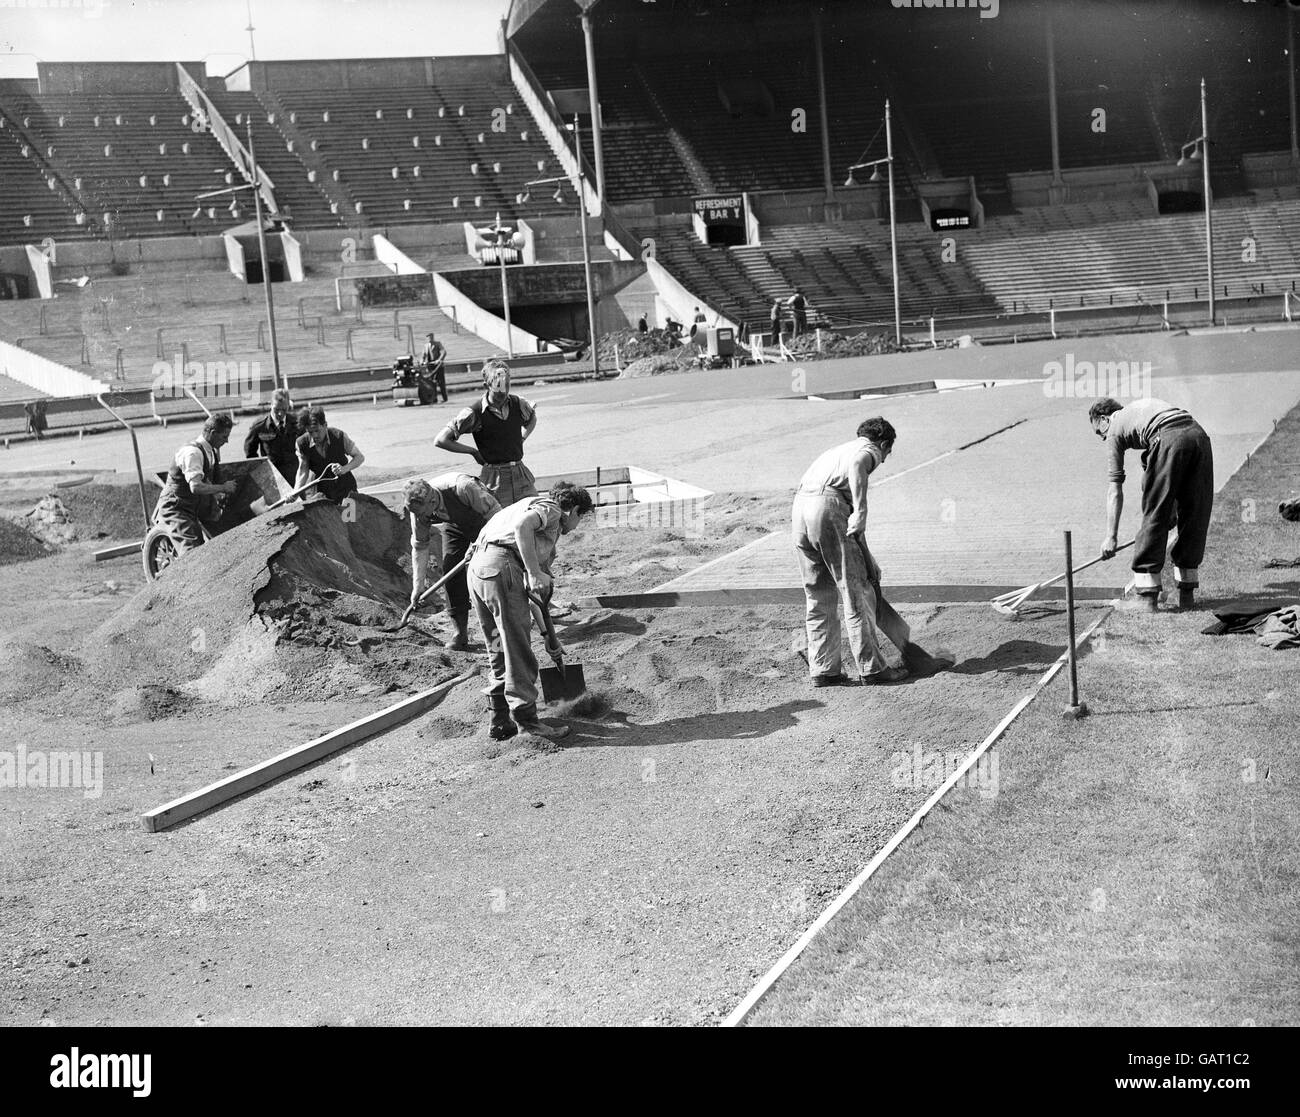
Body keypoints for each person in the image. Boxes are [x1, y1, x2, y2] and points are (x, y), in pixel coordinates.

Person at [792, 417, 930, 686]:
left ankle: (824, 670)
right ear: (884, 443)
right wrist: (863, 511)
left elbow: (850, 526)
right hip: (827, 508)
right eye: (887, 453)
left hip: (800, 510)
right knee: (857, 593)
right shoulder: (866, 451)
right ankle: (873, 668)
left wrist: (869, 559)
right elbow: (857, 471)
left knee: (819, 594)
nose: (884, 460)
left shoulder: (835, 452)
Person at [468, 480, 595, 741]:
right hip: (502, 568)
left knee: (498, 646)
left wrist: (551, 638)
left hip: (479, 572)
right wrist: (535, 572)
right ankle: (528, 723)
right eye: (581, 518)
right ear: (573, 511)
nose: (576, 526)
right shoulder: (552, 510)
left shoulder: (522, 510)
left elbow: (537, 597)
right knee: (518, 650)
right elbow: (522, 526)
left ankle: (500, 720)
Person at [1090, 396, 1214, 611]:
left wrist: (1111, 537)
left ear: (1103, 419)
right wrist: (1172, 509)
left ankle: (1146, 600)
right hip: (1198, 435)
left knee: (1154, 516)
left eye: (1099, 433)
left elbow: (1115, 490)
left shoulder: (1115, 428)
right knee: (1195, 514)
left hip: (1168, 437)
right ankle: (1187, 597)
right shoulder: (1139, 413)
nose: (1103, 439)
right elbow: (1172, 476)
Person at [402, 473, 501, 650]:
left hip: (486, 521)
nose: (421, 518)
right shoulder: (418, 511)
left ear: (432, 502)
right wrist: (418, 587)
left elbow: (498, 518)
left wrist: (480, 544)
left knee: (491, 568)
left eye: (423, 513)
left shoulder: (464, 488)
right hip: (454, 524)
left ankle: (505, 624)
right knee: (450, 570)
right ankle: (460, 632)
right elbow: (420, 546)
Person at [434, 358, 539, 508]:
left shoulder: (518, 403)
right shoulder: (474, 413)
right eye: (498, 386)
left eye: (507, 385)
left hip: (521, 474)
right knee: (502, 523)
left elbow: (532, 418)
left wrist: (523, 437)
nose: (503, 391)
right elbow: (441, 440)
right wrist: (473, 452)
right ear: (487, 385)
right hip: (495, 479)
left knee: (536, 514)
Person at [154, 413, 239, 555]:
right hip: (176, 507)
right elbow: (196, 486)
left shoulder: (210, 451)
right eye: (224, 436)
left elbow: (204, 477)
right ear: (212, 433)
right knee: (192, 553)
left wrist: (217, 494)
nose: (227, 441)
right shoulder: (192, 453)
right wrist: (223, 487)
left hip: (192, 507)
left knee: (205, 547)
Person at [294, 405, 365, 503]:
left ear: (325, 425)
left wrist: (344, 469)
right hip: (320, 493)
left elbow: (359, 457)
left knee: (351, 518)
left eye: (317, 431)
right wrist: (295, 492)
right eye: (310, 432)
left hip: (346, 490)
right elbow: (303, 471)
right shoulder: (301, 443)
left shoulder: (339, 436)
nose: (314, 435)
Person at [242, 387, 298, 483]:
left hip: (294, 476)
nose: (280, 413)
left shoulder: (297, 424)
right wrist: (261, 469)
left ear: (289, 405)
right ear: (271, 405)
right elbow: (250, 451)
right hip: (271, 477)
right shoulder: (259, 426)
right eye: (276, 409)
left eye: (284, 409)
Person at [420, 331, 448, 404]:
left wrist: (439, 360)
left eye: (430, 336)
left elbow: (444, 352)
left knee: (441, 382)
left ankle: (445, 398)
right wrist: (422, 361)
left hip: (438, 366)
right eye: (428, 337)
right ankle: (434, 398)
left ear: (433, 337)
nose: (429, 338)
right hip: (430, 366)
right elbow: (423, 356)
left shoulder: (438, 344)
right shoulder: (426, 346)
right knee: (432, 383)